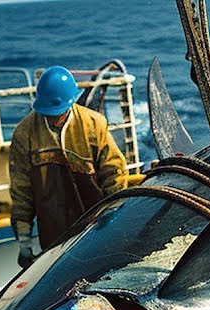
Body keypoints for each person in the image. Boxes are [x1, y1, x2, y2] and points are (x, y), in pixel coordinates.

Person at [8, 65, 127, 269]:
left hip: (95, 224)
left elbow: (114, 172)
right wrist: (24, 242)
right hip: (53, 232)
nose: (53, 118)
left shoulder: (93, 125)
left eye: (58, 113)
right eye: (49, 113)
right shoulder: (24, 134)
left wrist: (114, 216)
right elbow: (21, 191)